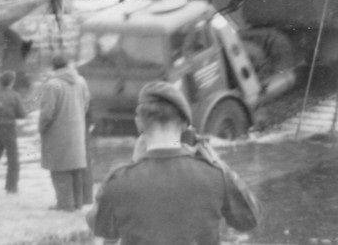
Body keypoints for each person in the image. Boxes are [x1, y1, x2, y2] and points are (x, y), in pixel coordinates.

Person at [87, 81, 261, 244]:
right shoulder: (214, 174)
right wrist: (217, 162)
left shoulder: (118, 180)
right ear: (185, 124)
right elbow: (250, 219)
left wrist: (134, 164)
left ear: (139, 123)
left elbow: (101, 228)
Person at [39, 55, 91, 212]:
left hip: (58, 131)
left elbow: (47, 113)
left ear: (54, 68)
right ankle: (77, 202)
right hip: (77, 129)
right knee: (75, 167)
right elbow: (86, 104)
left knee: (59, 169)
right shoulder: (81, 81)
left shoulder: (52, 85)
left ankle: (64, 204)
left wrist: (42, 128)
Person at [0, 70, 26, 207]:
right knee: (13, 160)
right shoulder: (15, 96)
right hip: (9, 129)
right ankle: (11, 187)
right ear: (12, 82)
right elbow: (22, 114)